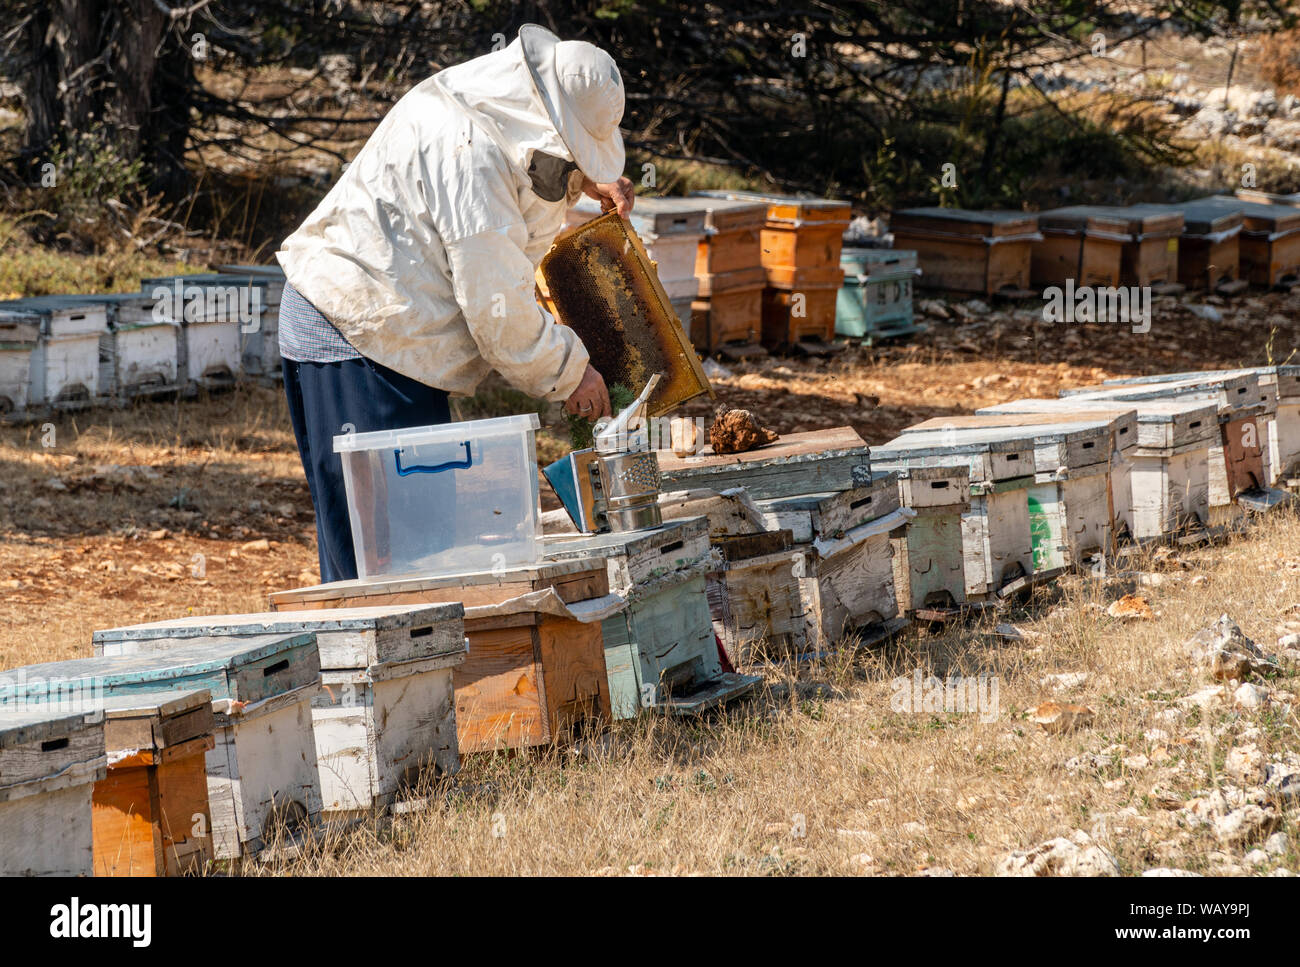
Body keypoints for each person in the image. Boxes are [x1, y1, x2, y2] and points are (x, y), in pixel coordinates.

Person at [275, 24, 633, 582]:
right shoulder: (469, 151)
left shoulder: (493, 101)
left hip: (398, 339)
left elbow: (526, 165)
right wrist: (572, 372)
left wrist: (580, 177)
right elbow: (498, 313)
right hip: (355, 336)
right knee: (380, 566)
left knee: (424, 552)